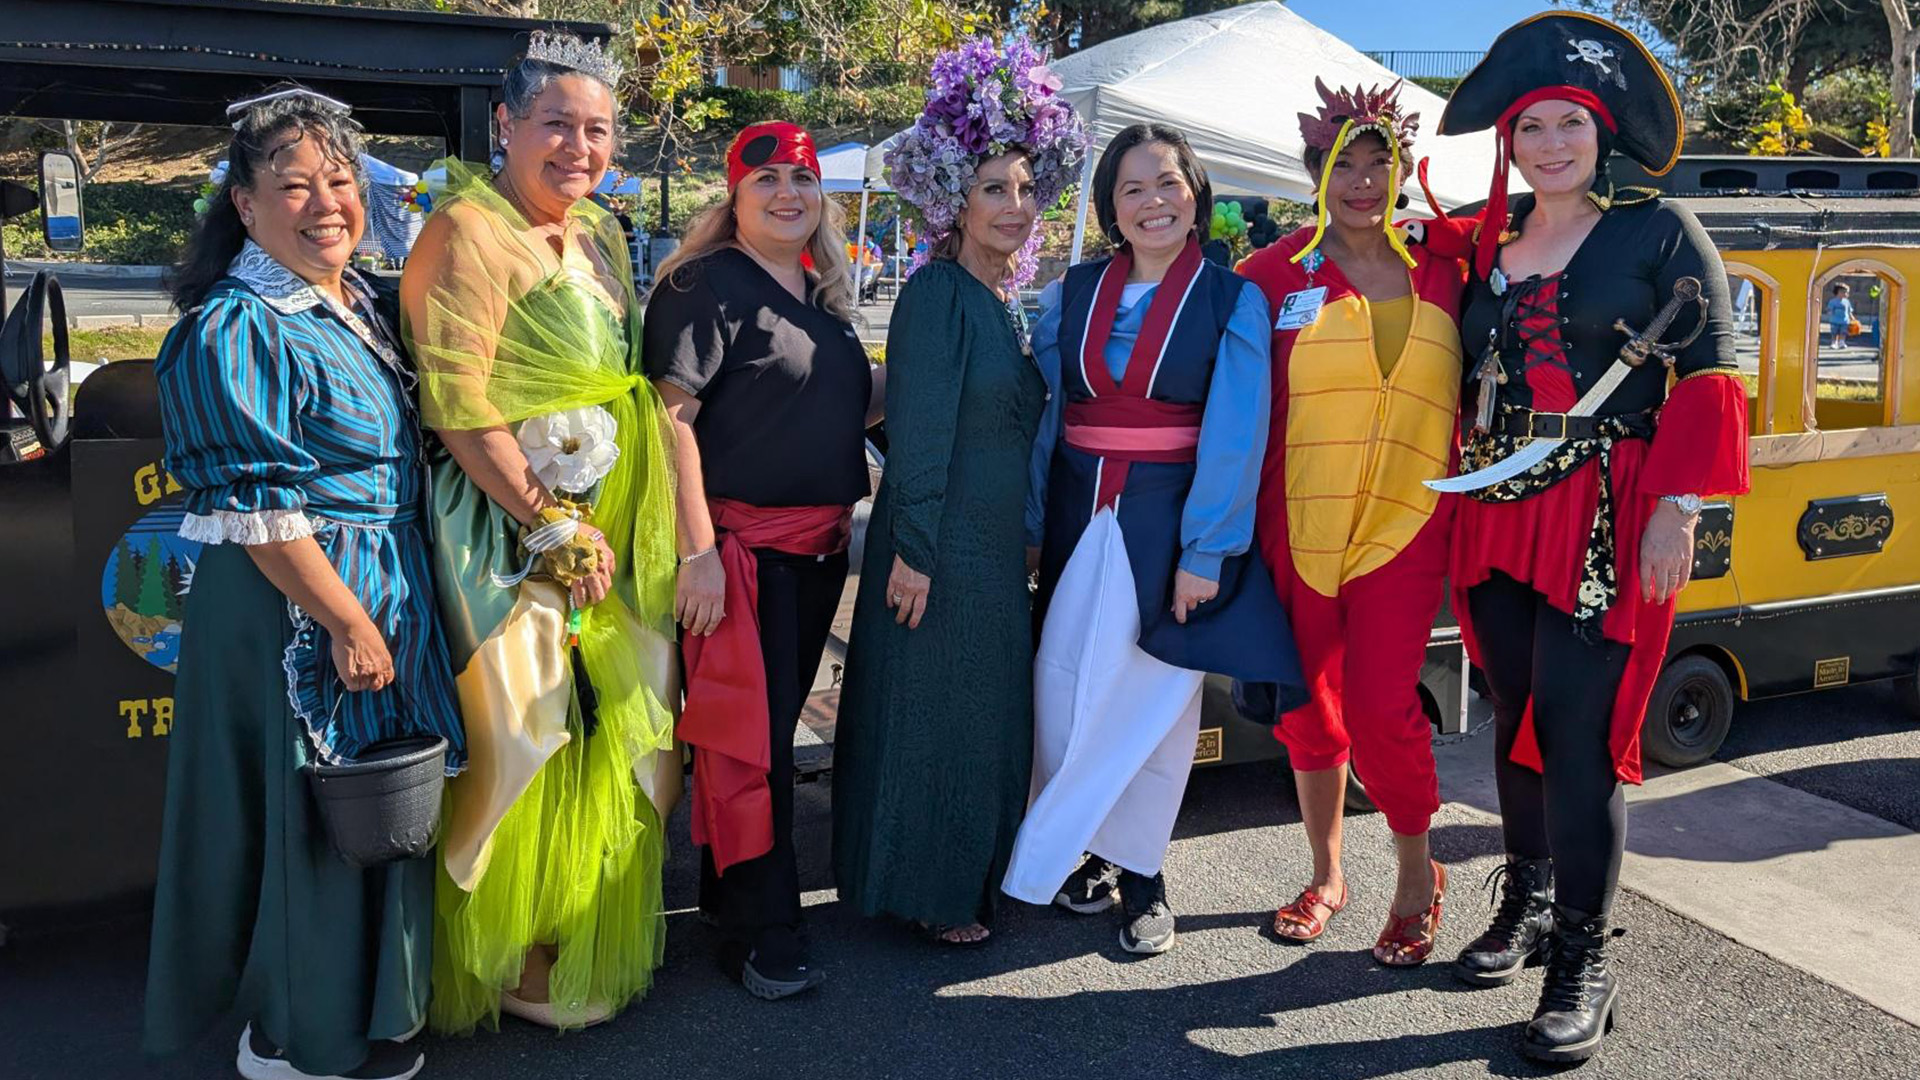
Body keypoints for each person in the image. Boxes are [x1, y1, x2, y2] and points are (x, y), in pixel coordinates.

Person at [1433, 12, 1749, 1063]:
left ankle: (1585, 958)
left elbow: (1712, 367)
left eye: (1570, 123)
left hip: (1607, 512)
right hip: (1496, 507)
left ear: (1601, 131)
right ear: (1509, 142)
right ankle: (1525, 902)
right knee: (1513, 717)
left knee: (1579, 739)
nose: (1551, 144)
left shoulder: (1658, 229)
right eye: (1531, 127)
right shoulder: (1492, 241)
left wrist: (1680, 505)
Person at [145, 85, 465, 1080]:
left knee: (382, 804)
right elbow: (259, 510)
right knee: (311, 812)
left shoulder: (356, 298)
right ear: (243, 204)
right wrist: (345, 621)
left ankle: (373, 1010)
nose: (327, 202)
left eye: (339, 180)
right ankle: (298, 1031)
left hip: (380, 580)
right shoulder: (236, 326)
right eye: (294, 186)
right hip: (301, 598)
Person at [401, 33, 681, 1033]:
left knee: (608, 729)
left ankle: (565, 931)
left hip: (608, 521)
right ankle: (504, 950)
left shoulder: (600, 233)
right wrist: (547, 519)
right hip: (506, 524)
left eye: (598, 128)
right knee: (526, 724)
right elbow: (458, 402)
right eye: (556, 123)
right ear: (507, 126)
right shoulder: (466, 230)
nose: (578, 146)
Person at [1002, 122, 1307, 955]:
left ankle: (1143, 873)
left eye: (1168, 182)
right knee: (1062, 690)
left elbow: (1237, 431)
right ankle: (1080, 850)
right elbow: (1048, 418)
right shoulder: (1073, 292)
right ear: (1109, 205)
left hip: (1167, 524)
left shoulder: (1228, 298)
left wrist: (1206, 550)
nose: (1153, 201)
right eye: (1132, 187)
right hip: (1077, 511)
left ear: (1195, 194)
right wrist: (1033, 523)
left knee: (1155, 705)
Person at [833, 37, 1085, 947]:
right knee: (940, 717)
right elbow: (921, 433)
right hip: (941, 549)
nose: (1016, 206)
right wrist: (916, 553)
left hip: (983, 549)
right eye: (993, 189)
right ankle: (933, 891)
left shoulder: (997, 299)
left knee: (973, 718)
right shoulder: (939, 292)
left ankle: (958, 880)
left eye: (1024, 188)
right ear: (955, 201)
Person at [644, 121, 873, 999]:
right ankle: (759, 928)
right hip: (744, 559)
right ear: (733, 197)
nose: (789, 194)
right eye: (767, 179)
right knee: (753, 748)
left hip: (818, 558)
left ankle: (732, 904)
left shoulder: (820, 294)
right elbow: (672, 423)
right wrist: (697, 551)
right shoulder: (705, 284)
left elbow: (837, 404)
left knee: (766, 740)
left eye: (803, 181)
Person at [1239, 77, 1464, 966]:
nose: (1363, 182)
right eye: (1346, 165)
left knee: (1383, 711)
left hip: (1407, 526)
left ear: (1404, 170)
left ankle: (1417, 876)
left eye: (1381, 163)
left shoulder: (1447, 266)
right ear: (1314, 173)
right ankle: (1327, 874)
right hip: (1293, 520)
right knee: (1308, 712)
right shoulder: (1267, 277)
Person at [1825, 282, 1854, 349]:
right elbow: (1829, 309)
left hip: (1844, 321)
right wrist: (1829, 313)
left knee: (1843, 332)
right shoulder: (1833, 301)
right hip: (1834, 320)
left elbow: (1849, 311)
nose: (1847, 294)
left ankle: (1842, 342)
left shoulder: (1847, 301)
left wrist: (1852, 318)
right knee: (1834, 332)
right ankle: (1834, 342)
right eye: (1845, 292)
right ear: (1839, 292)